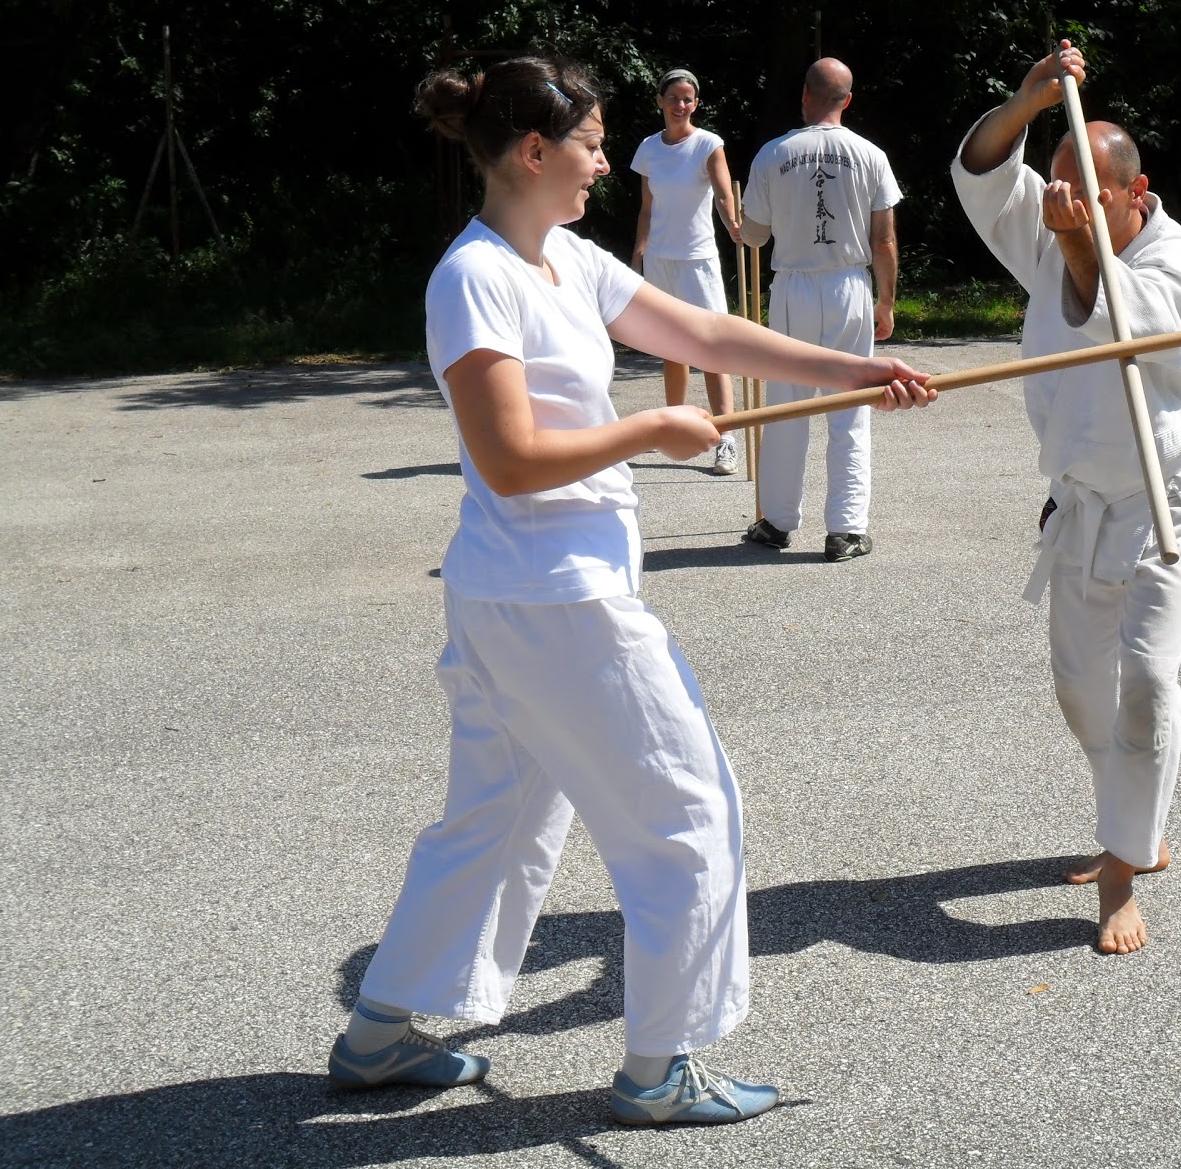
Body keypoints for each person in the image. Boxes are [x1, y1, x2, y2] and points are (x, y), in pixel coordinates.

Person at [325, 55, 933, 1124]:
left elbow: (699, 334)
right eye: (593, 143)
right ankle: (661, 1066)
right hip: (554, 602)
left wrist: (855, 372)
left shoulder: (565, 259)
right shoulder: (475, 277)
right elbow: (509, 457)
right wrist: (653, 428)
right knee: (687, 811)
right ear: (531, 151)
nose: (606, 162)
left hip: (524, 600)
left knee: (497, 821)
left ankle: (378, 1035)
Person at [951, 43, 1181, 955]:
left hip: (1161, 505)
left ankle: (1120, 871)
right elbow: (985, 176)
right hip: (1078, 506)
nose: (1062, 203)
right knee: (1079, 693)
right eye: (1057, 188)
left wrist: (1075, 243)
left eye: (1087, 193)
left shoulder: (1180, 260)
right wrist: (1027, 105)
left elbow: (1138, 324)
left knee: (1146, 679)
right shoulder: (1056, 221)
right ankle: (1135, 810)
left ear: (1135, 195)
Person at [739, 58, 901, 562]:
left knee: (787, 406)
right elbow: (884, 239)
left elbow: (754, 235)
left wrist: (735, 217)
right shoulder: (871, 155)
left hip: (792, 286)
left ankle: (779, 521)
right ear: (847, 100)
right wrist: (886, 300)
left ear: (805, 96)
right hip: (850, 283)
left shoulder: (772, 153)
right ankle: (847, 529)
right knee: (850, 408)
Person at [630, 67, 743, 472]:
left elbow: (723, 190)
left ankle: (726, 436)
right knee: (671, 349)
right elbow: (647, 208)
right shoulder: (648, 149)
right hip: (661, 258)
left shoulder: (708, 143)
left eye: (688, 99)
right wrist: (638, 254)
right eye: (674, 98)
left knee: (711, 349)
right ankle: (674, 428)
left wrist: (733, 222)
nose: (681, 105)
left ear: (696, 104)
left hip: (698, 260)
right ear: (660, 101)